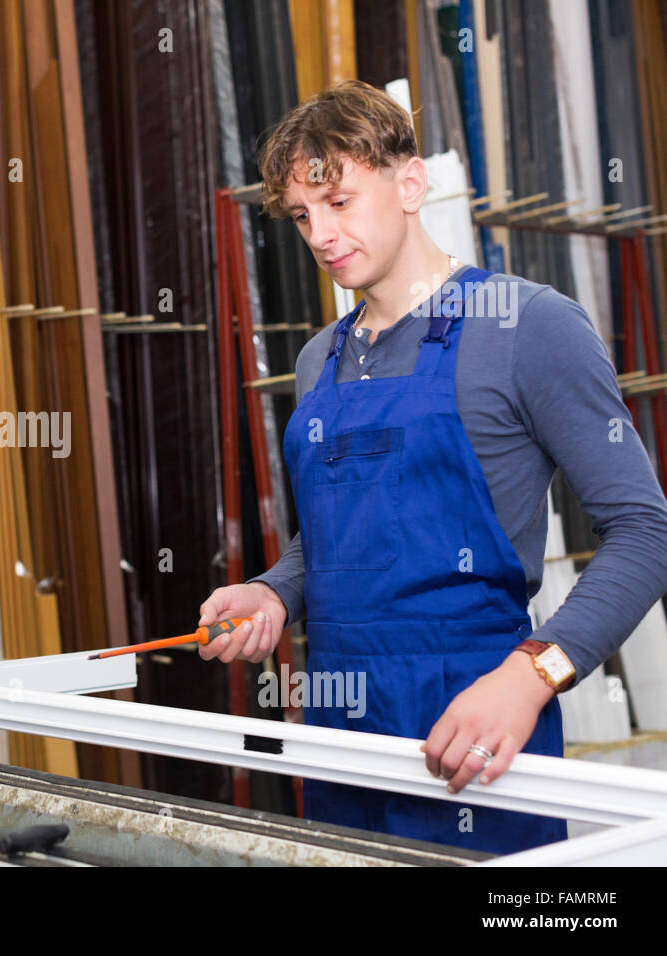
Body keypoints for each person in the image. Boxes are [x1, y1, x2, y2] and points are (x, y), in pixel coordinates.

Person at [197, 80, 667, 854]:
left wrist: (530, 676)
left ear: (411, 182)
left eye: (340, 202)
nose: (320, 235)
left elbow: (645, 532)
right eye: (304, 216)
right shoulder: (319, 361)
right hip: (339, 723)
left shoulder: (527, 327)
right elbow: (337, 539)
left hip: (476, 717)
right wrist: (273, 592)